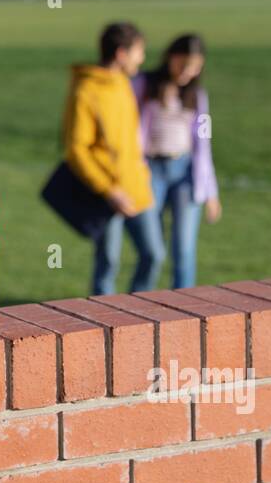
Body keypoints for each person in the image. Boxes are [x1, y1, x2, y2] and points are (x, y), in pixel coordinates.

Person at [61, 22, 153, 296]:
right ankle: (105, 327)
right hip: (107, 194)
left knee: (153, 253)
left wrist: (142, 172)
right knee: (108, 264)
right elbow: (77, 149)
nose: (143, 58)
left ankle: (136, 315)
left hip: (137, 188)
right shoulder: (86, 91)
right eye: (140, 52)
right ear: (122, 54)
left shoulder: (123, 84)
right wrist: (108, 190)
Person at [125, 33, 221, 290]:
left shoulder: (197, 95)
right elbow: (131, 130)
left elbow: (204, 144)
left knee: (184, 249)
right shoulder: (144, 85)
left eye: (195, 67)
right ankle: (138, 305)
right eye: (183, 64)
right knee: (152, 249)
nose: (187, 72)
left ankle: (183, 310)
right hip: (150, 170)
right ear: (170, 58)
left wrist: (211, 192)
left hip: (185, 173)